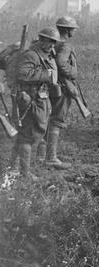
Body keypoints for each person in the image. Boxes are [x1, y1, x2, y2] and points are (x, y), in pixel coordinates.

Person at [12, 27, 60, 179]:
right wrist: (47, 74)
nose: (52, 46)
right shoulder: (32, 55)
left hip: (40, 98)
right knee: (29, 135)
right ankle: (24, 173)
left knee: (32, 133)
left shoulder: (45, 54)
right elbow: (21, 74)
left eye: (54, 43)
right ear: (41, 40)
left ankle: (14, 168)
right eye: (50, 42)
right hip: (30, 98)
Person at [44, 16, 82, 170]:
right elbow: (60, 63)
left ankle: (41, 155)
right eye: (73, 28)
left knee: (48, 118)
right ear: (67, 30)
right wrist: (73, 73)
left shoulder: (52, 42)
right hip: (63, 86)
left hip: (51, 85)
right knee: (57, 120)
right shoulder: (65, 45)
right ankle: (51, 158)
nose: (74, 31)